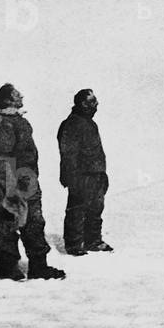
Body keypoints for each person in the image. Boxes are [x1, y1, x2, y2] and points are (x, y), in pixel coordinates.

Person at [0, 83, 66, 281]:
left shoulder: (16, 122)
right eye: (18, 95)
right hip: (9, 187)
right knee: (6, 227)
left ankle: (38, 267)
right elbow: (0, 159)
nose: (22, 97)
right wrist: (13, 189)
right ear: (8, 100)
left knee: (34, 224)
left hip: (26, 183)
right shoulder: (2, 123)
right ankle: (9, 270)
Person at [57, 89, 113, 256]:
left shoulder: (90, 123)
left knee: (96, 208)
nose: (97, 104)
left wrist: (102, 174)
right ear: (83, 103)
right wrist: (71, 177)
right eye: (93, 101)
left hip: (96, 174)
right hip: (81, 175)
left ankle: (93, 241)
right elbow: (68, 153)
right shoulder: (72, 123)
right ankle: (74, 244)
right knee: (77, 209)